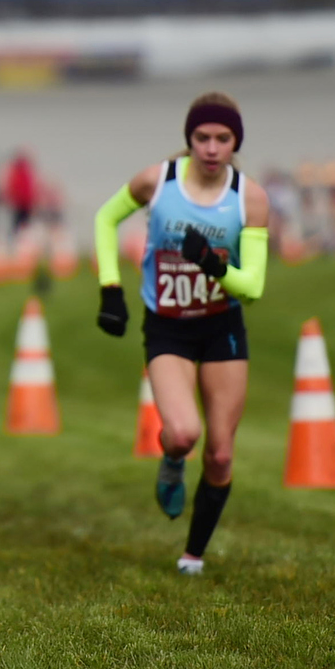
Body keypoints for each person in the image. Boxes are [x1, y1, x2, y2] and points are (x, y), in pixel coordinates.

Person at [93, 92, 269, 576]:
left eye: (223, 138)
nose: (212, 148)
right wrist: (111, 289)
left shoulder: (248, 197)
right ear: (189, 140)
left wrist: (212, 264)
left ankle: (193, 554)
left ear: (236, 142)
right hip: (168, 328)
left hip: (222, 328)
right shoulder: (159, 181)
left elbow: (252, 287)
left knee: (220, 451)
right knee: (185, 434)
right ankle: (171, 458)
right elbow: (105, 219)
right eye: (202, 138)